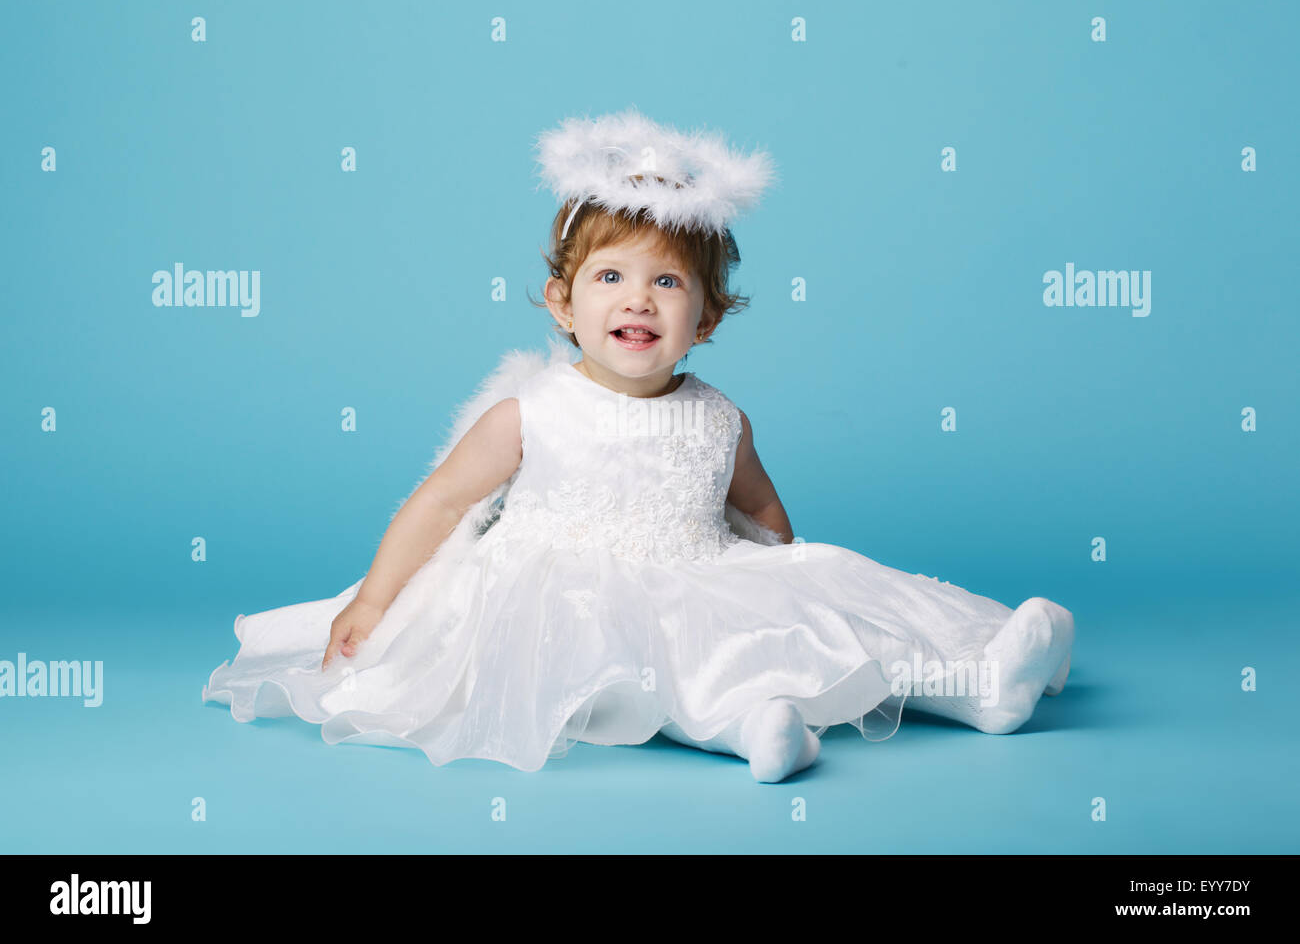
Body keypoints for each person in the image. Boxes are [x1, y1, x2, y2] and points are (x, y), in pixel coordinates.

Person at [203, 108, 1073, 783]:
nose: (638, 301)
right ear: (561, 301)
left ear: (707, 317)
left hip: (700, 571)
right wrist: (373, 601)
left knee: (818, 619)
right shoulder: (530, 410)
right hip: (569, 596)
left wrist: (792, 575)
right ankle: (753, 731)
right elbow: (439, 502)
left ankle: (976, 687)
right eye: (610, 277)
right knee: (654, 671)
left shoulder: (718, 417)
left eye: (667, 283)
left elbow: (761, 508)